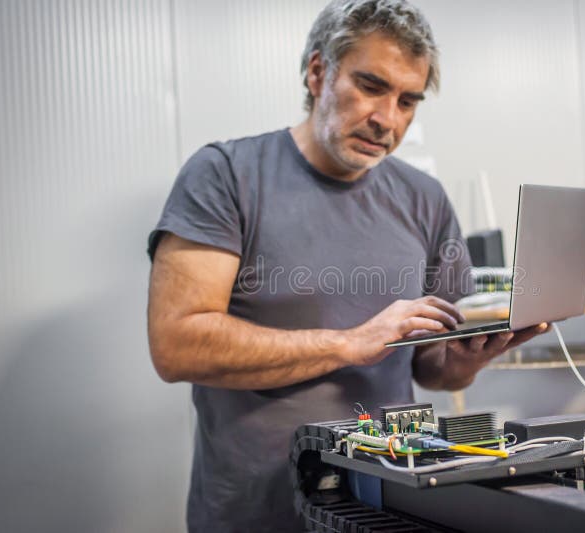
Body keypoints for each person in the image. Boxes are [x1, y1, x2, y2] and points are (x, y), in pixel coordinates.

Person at [146, 0, 549, 530]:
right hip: (256, 511)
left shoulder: (425, 199)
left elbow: (429, 367)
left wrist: (468, 358)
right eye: (370, 86)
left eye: (408, 101)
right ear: (318, 72)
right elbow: (176, 345)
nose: (388, 119)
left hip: (389, 506)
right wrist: (348, 343)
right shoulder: (224, 176)